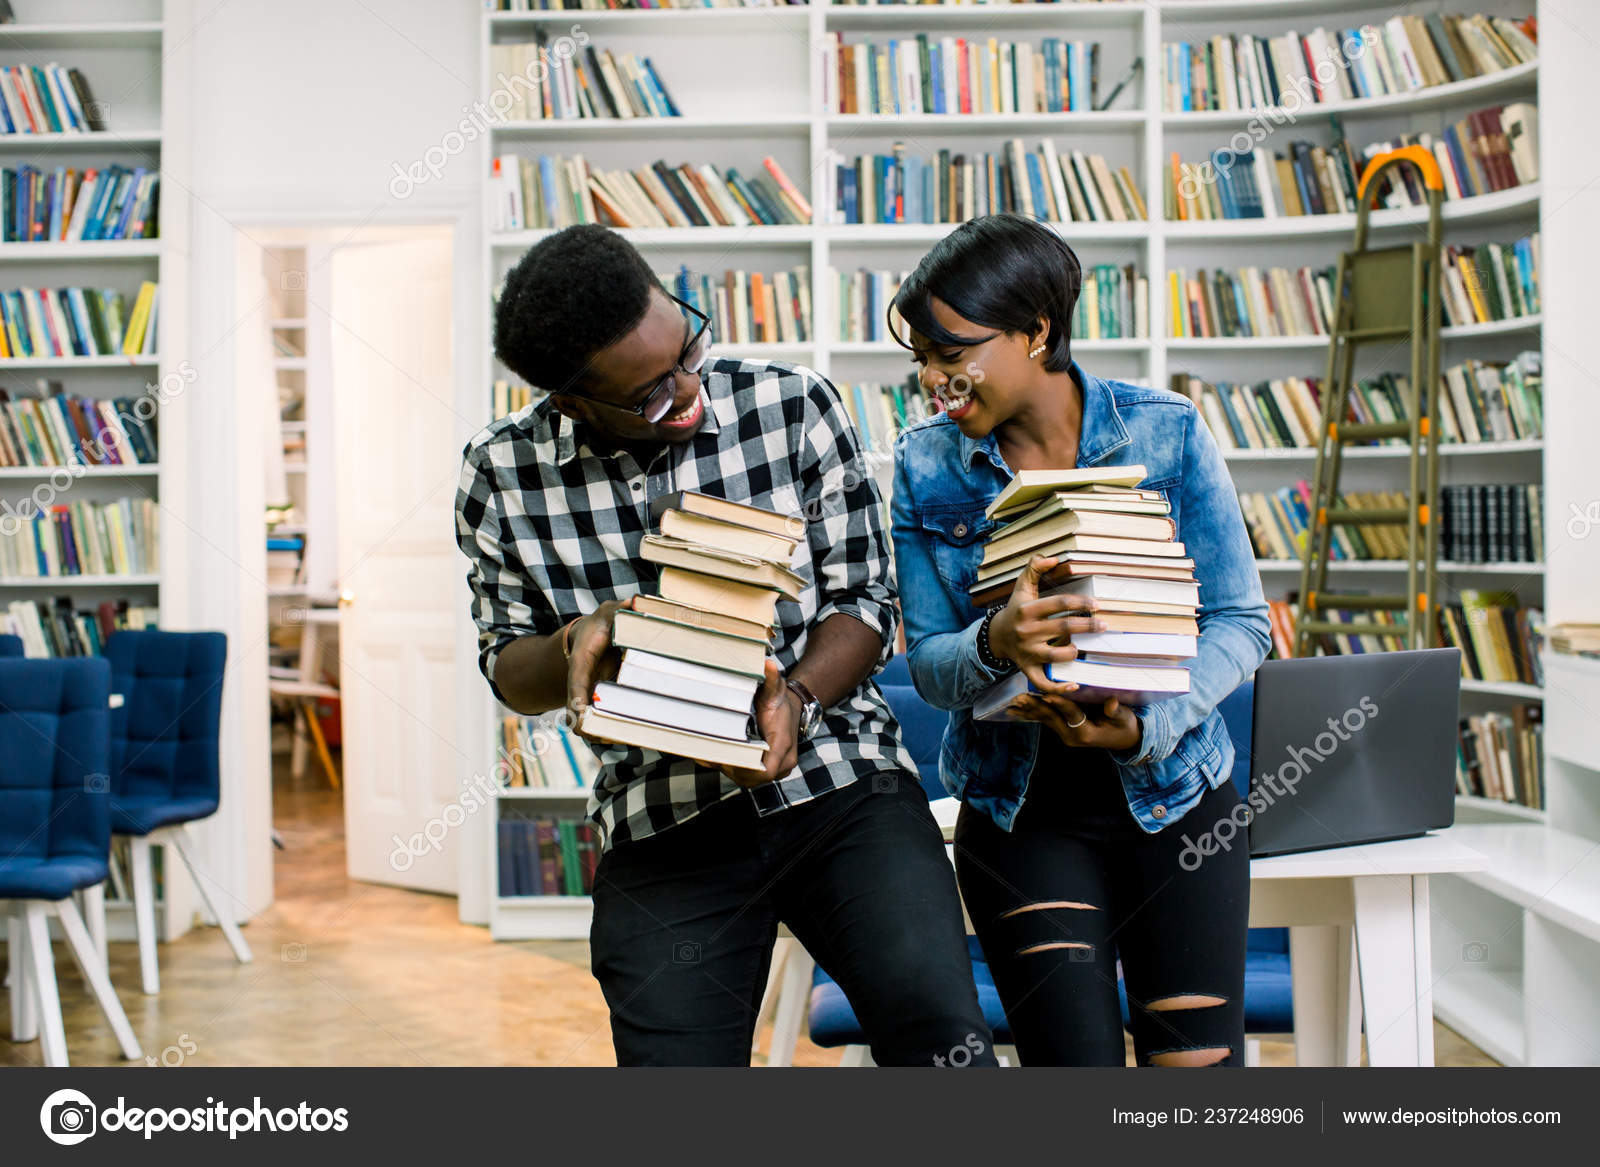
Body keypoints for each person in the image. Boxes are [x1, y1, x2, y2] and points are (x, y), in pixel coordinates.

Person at [455, 224, 995, 1067]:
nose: (690, 392)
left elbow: (864, 598)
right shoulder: (501, 474)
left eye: (688, 349)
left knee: (938, 1031)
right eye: (651, 396)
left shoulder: (793, 406)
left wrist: (801, 698)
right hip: (660, 812)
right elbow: (506, 665)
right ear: (571, 404)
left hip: (842, 778)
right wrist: (573, 642)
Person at [888, 214, 1271, 1067]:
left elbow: (1243, 623)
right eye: (921, 357)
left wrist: (1149, 726)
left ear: (1037, 332)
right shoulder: (925, 467)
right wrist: (998, 638)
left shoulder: (1167, 432)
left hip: (1176, 800)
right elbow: (929, 666)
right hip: (1020, 814)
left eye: (953, 354)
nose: (933, 380)